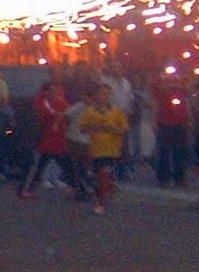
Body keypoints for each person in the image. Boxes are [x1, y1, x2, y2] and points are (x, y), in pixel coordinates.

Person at [77, 82, 128, 216]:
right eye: (101, 94)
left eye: (106, 94)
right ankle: (108, 190)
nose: (103, 97)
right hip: (96, 149)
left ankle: (101, 202)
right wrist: (93, 128)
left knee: (104, 174)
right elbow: (82, 129)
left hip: (112, 149)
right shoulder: (90, 112)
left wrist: (114, 130)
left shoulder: (116, 111)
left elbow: (124, 129)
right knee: (99, 176)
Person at [18, 78, 70, 199]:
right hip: (44, 141)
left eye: (58, 89)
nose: (57, 92)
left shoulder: (60, 102)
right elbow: (47, 113)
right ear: (47, 91)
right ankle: (24, 189)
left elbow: (68, 112)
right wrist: (59, 115)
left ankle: (80, 189)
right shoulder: (41, 102)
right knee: (36, 167)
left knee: (69, 167)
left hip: (58, 140)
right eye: (54, 89)